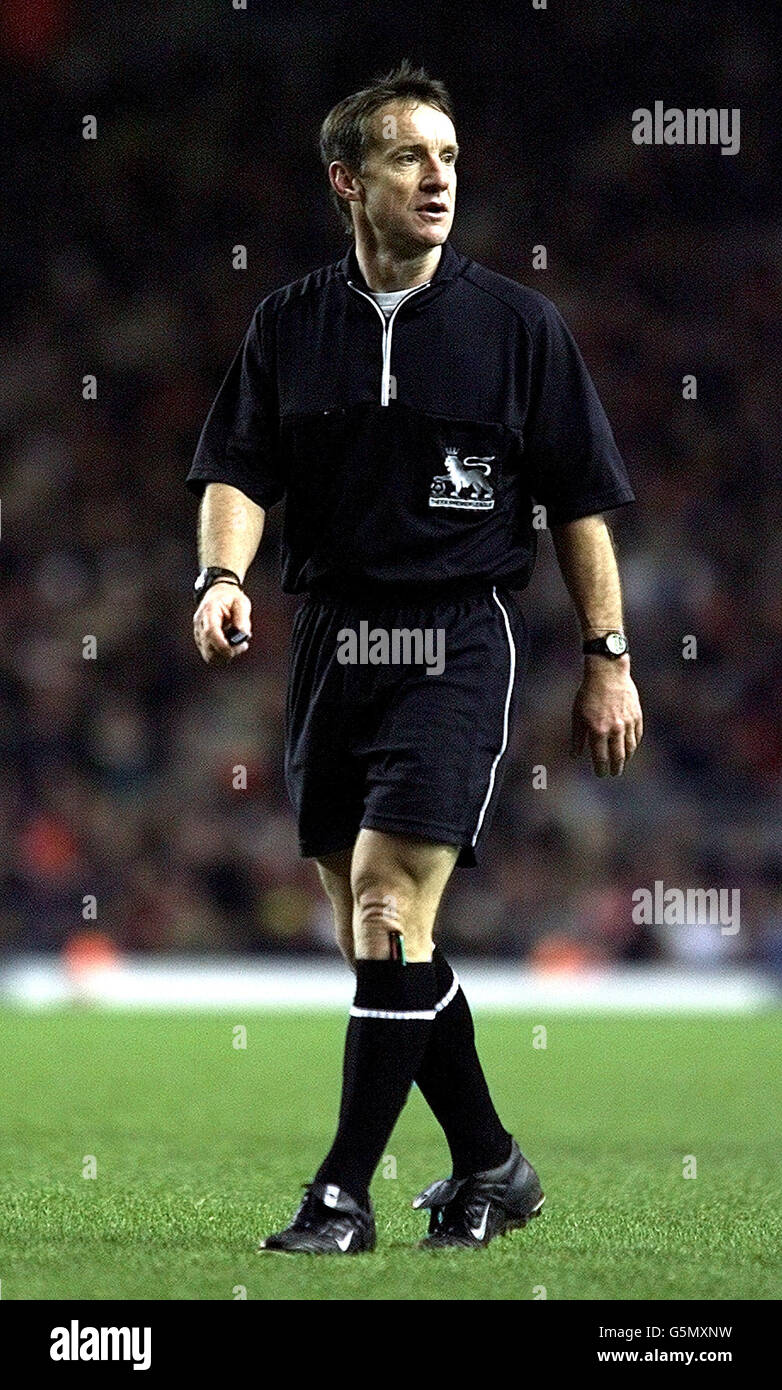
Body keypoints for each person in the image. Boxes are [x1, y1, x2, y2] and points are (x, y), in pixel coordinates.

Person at [187, 62, 643, 1253]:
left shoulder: (515, 326)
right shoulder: (289, 322)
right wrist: (222, 574)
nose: (438, 175)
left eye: (447, 155)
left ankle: (340, 1194)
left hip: (452, 634)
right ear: (347, 181)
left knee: (391, 903)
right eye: (407, 156)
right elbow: (237, 468)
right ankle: (492, 1164)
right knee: (371, 933)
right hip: (331, 638)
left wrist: (608, 653)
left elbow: (580, 503)